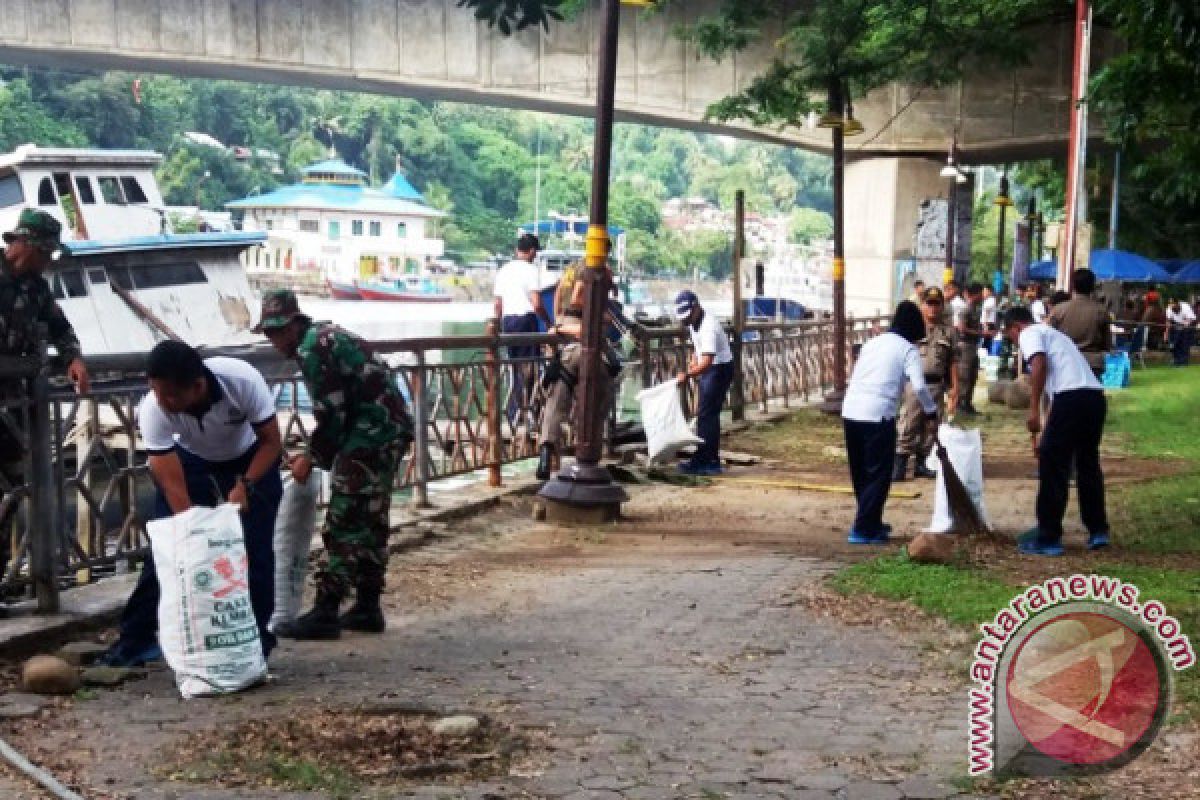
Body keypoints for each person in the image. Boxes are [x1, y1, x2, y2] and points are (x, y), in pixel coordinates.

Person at [97, 341, 283, 666]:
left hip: (250, 458)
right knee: (167, 549)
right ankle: (136, 640)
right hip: (192, 460)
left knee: (254, 550)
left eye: (171, 395)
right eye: (157, 393)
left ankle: (254, 643)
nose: (164, 403)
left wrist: (246, 485)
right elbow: (167, 472)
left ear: (197, 386)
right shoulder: (154, 409)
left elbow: (271, 442)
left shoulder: (241, 381)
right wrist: (187, 525)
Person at [257, 290, 413, 639]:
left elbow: (332, 414)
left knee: (346, 517)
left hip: (370, 435)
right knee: (372, 519)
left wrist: (311, 458)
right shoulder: (326, 336)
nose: (275, 339)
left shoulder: (314, 349)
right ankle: (368, 606)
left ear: (295, 324)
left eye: (279, 330)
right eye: (269, 333)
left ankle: (327, 609)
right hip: (389, 428)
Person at [0, 210, 90, 583]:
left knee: (8, 497)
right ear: (27, 246)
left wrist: (73, 358)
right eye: (47, 253)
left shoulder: (37, 288)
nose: (50, 261)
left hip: (13, 412)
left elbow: (59, 327)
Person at [1002, 307, 1109, 556]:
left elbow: (1039, 365)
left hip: (1071, 399)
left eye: (1012, 337)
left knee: (1053, 465)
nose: (1017, 344)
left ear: (1017, 326)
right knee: (1087, 464)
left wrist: (1032, 411)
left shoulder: (1030, 333)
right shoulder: (1056, 336)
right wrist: (1045, 428)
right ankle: (1098, 530)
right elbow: (1057, 393)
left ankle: (1048, 535)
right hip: (1092, 398)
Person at [842, 301, 938, 544]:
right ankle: (863, 529)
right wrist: (931, 412)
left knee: (861, 471)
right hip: (878, 414)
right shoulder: (908, 350)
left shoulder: (872, 343)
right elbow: (918, 386)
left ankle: (871, 521)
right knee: (878, 473)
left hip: (851, 410)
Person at [537, 261, 618, 480]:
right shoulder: (594, 270)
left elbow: (557, 298)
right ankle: (589, 448)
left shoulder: (571, 269)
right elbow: (578, 298)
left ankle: (546, 449)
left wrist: (556, 324)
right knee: (602, 391)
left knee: (557, 396)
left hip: (563, 339)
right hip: (582, 335)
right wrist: (600, 315)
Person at [893, 288, 959, 481]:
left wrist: (955, 387)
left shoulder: (948, 332)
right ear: (922, 305)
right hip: (914, 384)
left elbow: (953, 360)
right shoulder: (912, 329)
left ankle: (922, 463)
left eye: (936, 303)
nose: (932, 308)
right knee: (908, 423)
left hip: (936, 384)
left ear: (942, 305)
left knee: (932, 426)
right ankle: (900, 464)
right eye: (929, 303)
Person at [674, 290, 734, 476]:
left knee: (707, 415)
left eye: (688, 316)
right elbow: (698, 348)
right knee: (705, 415)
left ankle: (709, 461)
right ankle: (703, 457)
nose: (686, 320)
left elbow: (708, 361)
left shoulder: (708, 326)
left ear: (696, 307)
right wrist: (694, 359)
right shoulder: (694, 322)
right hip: (711, 368)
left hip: (719, 369)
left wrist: (688, 374)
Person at [494, 234, 551, 422]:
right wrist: (549, 322)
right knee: (530, 368)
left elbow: (498, 305)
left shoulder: (504, 270)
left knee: (514, 367)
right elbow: (536, 304)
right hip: (526, 320)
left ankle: (513, 413)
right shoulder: (530, 270)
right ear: (532, 251)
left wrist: (497, 327)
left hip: (508, 322)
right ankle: (528, 412)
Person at [1047, 268, 1112, 377]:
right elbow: (1107, 343)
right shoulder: (1101, 311)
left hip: (1065, 362)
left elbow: (1049, 338)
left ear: (1073, 286)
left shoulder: (1058, 310)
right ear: (1092, 287)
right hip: (1093, 364)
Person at [955, 283, 984, 415]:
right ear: (976, 294)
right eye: (981, 293)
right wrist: (980, 333)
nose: (983, 296)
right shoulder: (965, 309)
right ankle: (960, 404)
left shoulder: (975, 309)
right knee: (964, 376)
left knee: (973, 375)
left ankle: (968, 403)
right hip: (965, 346)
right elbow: (961, 328)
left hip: (973, 346)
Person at [1166, 298, 1197, 366]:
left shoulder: (1185, 307)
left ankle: (1183, 361)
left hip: (1188, 324)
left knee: (1184, 344)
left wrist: (1183, 326)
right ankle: (1176, 360)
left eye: (1173, 306)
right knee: (1174, 343)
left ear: (1178, 304)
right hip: (1176, 325)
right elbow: (1168, 321)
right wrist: (1166, 333)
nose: (1172, 308)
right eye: (1171, 306)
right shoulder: (1169, 308)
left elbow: (1190, 319)